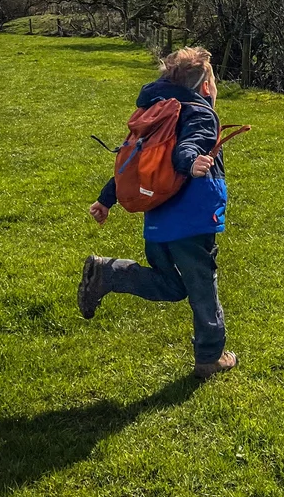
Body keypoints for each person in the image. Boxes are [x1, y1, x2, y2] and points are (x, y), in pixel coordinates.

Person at [77, 46, 237, 379]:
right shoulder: (200, 113)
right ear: (206, 86)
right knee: (203, 286)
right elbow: (187, 148)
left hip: (158, 218)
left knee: (172, 285)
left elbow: (135, 163)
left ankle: (109, 273)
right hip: (191, 219)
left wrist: (107, 199)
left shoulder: (157, 113)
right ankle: (210, 357)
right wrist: (191, 162)